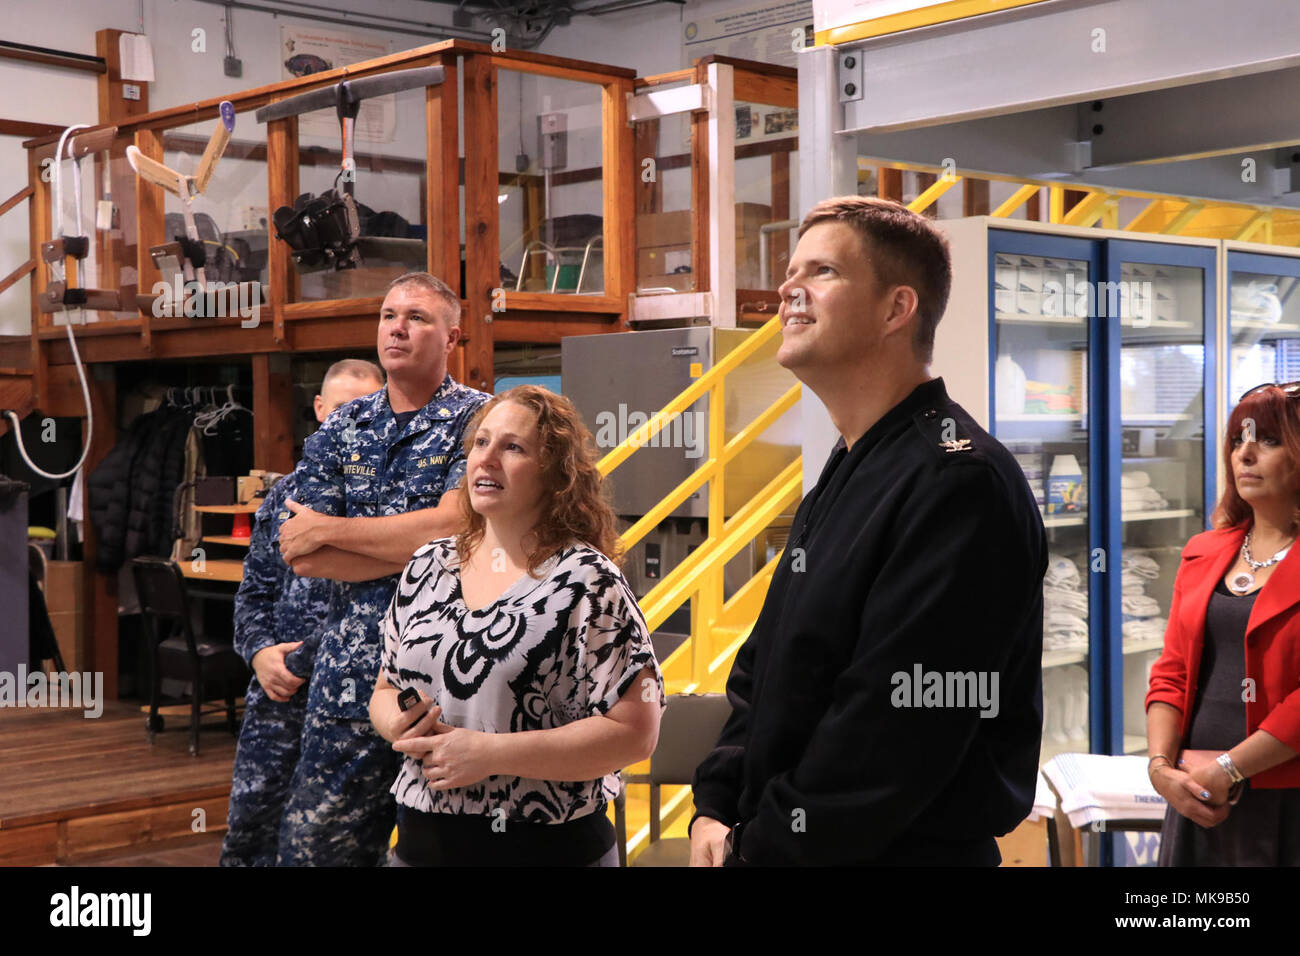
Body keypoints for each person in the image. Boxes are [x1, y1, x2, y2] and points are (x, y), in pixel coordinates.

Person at [689, 196, 1047, 866]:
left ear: (895, 309)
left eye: (821, 272)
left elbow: (892, 730)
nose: (788, 290)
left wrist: (755, 848)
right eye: (789, 272)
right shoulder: (852, 465)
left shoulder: (957, 483)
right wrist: (714, 806)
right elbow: (763, 670)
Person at [370, 386, 664, 866]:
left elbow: (636, 734)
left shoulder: (586, 581)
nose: (486, 460)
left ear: (554, 474)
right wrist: (398, 723)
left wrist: (489, 754)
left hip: (547, 849)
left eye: (513, 447)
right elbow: (384, 690)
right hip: (420, 845)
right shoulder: (427, 565)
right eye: (481, 443)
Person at [272, 272, 490, 866]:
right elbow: (300, 551)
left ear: (452, 335)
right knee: (312, 853)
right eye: (389, 316)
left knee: (440, 855)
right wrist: (408, 541)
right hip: (346, 677)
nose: (398, 328)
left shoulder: (480, 421)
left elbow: (456, 530)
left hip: (445, 686)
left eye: (418, 318)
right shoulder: (345, 423)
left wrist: (336, 530)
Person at [221, 359, 385, 867]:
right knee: (249, 830)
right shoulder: (285, 493)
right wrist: (259, 654)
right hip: (274, 696)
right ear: (318, 410)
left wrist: (296, 663)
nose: (348, 423)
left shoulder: (385, 505)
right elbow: (254, 590)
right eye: (339, 410)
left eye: (362, 412)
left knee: (318, 847)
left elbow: (380, 606)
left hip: (348, 699)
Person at [1146, 382, 1300, 865]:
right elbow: (1171, 672)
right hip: (1196, 793)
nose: (1246, 454)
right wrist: (1160, 768)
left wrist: (1231, 767)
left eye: (1269, 440)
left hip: (1285, 797)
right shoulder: (1204, 551)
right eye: (1239, 439)